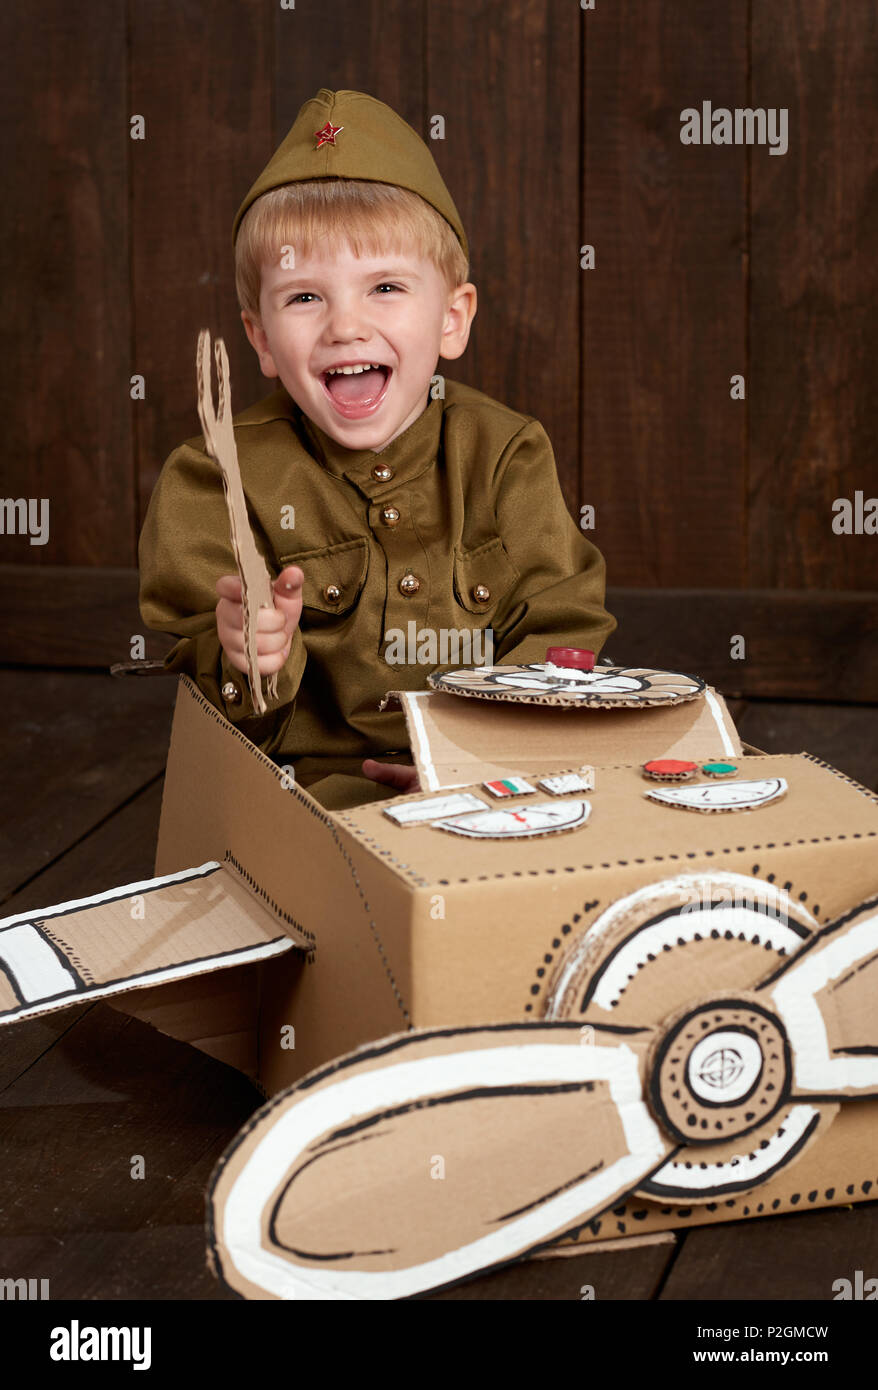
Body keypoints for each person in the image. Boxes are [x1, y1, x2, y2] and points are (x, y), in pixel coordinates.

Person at [139, 88, 616, 811]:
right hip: (304, 798)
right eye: (305, 298)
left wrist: (476, 761)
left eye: (385, 287)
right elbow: (220, 711)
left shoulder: (505, 454)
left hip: (494, 780)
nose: (345, 328)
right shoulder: (215, 478)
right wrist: (249, 656)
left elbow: (562, 629)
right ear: (261, 338)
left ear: (452, 319)